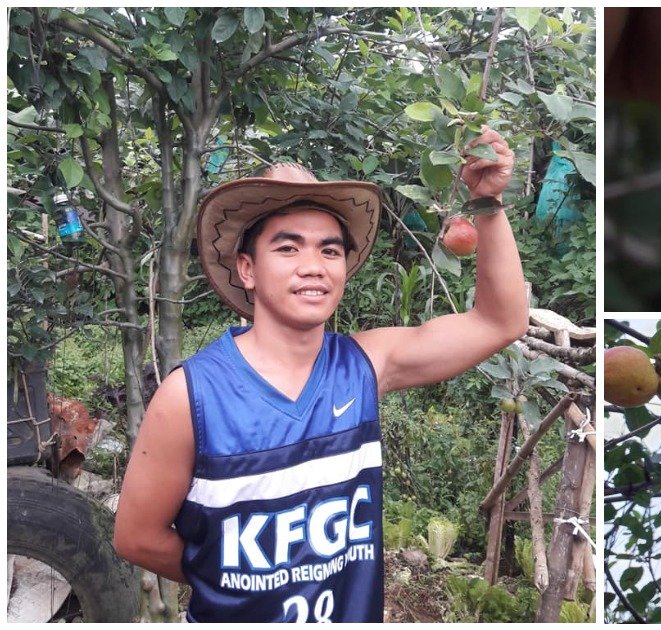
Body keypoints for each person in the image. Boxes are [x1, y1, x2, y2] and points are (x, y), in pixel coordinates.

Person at [112, 127, 528, 622]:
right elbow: (136, 536)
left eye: (330, 251)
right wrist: (234, 577)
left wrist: (487, 203)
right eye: (288, 248)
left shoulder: (366, 365)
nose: (314, 266)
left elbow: (499, 321)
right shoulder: (192, 396)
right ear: (247, 268)